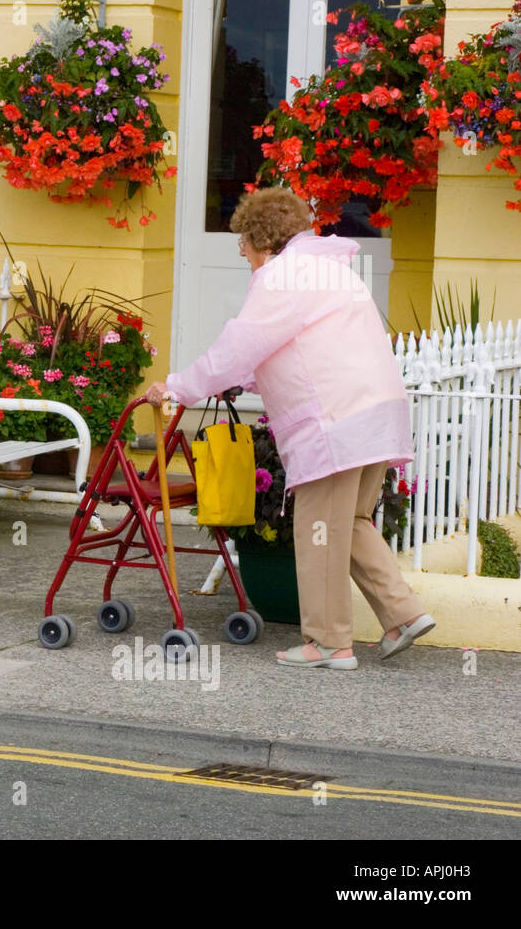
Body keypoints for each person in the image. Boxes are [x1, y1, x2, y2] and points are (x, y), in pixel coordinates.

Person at [146, 187, 434, 670]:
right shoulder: (328, 270)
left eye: (242, 241)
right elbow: (301, 347)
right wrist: (245, 377)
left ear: (260, 238)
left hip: (335, 421)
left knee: (319, 528)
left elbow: (238, 347)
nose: (240, 252)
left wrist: (177, 386)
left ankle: (328, 644)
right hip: (376, 412)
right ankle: (404, 614)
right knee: (352, 522)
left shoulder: (280, 278)